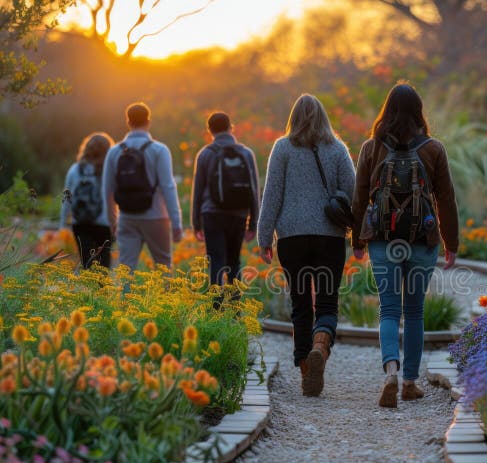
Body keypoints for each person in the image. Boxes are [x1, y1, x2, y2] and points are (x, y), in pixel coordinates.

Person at [351, 82, 459, 408]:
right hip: (422, 240)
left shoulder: (371, 147)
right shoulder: (433, 148)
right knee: (414, 312)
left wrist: (357, 239)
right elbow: (446, 199)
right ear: (418, 111)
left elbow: (359, 199)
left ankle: (391, 373)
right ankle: (410, 383)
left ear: (387, 109)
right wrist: (450, 242)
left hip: (383, 239)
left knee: (388, 310)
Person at [257, 94, 355, 397]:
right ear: (324, 117)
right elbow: (352, 193)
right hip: (330, 237)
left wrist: (264, 237)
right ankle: (320, 347)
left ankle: (305, 372)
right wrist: (361, 237)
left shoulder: (282, 148)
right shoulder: (338, 149)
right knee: (327, 301)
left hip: (292, 238)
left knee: (300, 305)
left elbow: (271, 194)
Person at [102, 102, 183, 271]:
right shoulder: (159, 150)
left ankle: (125, 298)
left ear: (128, 122)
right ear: (148, 121)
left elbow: (107, 189)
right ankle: (164, 298)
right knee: (163, 266)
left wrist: (112, 221)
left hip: (127, 217)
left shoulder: (114, 151)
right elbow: (168, 187)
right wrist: (176, 223)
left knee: (126, 268)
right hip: (156, 217)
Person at [191, 112, 260, 285]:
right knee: (234, 262)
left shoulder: (205, 154)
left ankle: (216, 309)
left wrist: (196, 223)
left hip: (212, 214)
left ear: (210, 131)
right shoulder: (246, 153)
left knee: (216, 262)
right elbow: (254, 189)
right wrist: (253, 223)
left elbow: (197, 191)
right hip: (238, 214)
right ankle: (235, 310)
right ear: (231, 127)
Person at [60, 132, 114, 268]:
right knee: (103, 267)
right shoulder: (109, 170)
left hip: (80, 224)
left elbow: (66, 198)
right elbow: (115, 198)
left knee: (87, 265)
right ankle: (103, 289)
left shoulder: (75, 169)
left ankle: (89, 289)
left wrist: (62, 224)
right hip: (104, 224)